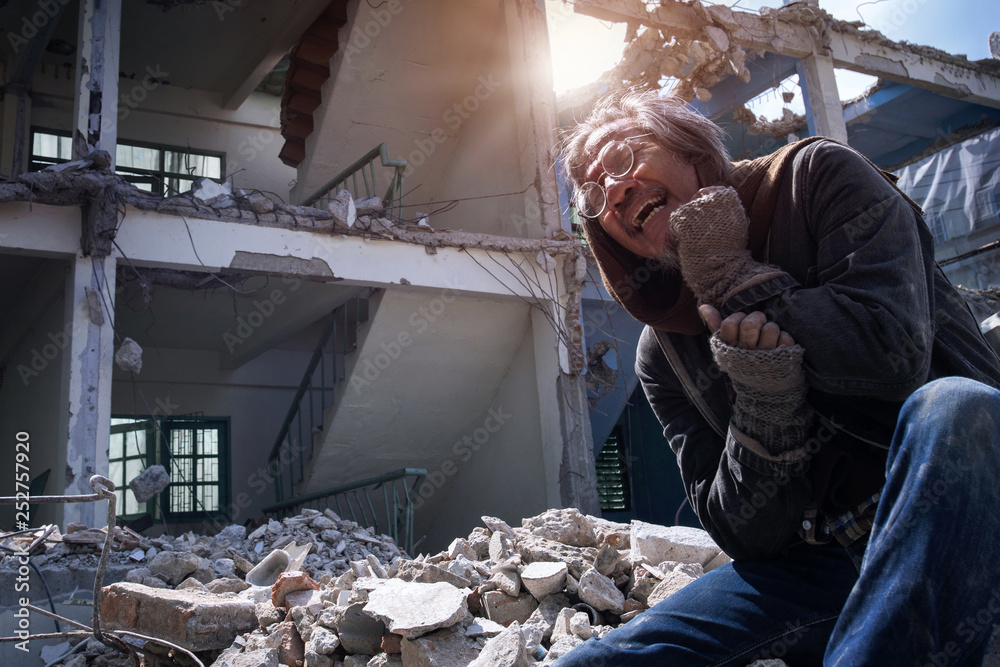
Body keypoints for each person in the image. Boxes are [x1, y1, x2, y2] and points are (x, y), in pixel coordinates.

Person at [554, 91, 1000, 666]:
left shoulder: (818, 178)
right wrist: (766, 409)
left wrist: (730, 277)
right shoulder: (663, 353)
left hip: (962, 507)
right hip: (827, 562)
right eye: (592, 195)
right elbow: (745, 537)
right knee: (591, 663)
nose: (612, 190)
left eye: (621, 156)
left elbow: (893, 355)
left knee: (955, 405)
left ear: (690, 150)